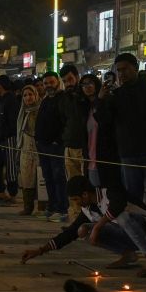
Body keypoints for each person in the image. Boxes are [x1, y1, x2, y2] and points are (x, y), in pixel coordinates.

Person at [20, 175, 146, 276]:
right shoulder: (87, 209)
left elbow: (117, 206)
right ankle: (128, 254)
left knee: (121, 217)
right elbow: (70, 233)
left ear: (85, 194)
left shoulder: (108, 192)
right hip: (127, 236)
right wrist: (40, 250)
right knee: (82, 230)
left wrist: (98, 226)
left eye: (76, 199)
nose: (76, 204)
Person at [102, 53, 146, 250]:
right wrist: (102, 99)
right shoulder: (116, 95)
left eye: (125, 69)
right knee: (134, 200)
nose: (121, 74)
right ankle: (139, 241)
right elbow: (104, 122)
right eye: (118, 70)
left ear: (135, 67)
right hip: (129, 154)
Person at [34, 71, 67, 222]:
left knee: (58, 177)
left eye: (51, 82)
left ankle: (62, 210)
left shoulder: (63, 99)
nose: (48, 86)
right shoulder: (46, 100)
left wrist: (58, 140)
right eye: (46, 83)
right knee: (48, 177)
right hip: (43, 145)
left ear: (58, 82)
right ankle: (52, 207)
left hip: (56, 146)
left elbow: (65, 122)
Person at [57, 65, 88, 220]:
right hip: (69, 146)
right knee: (72, 185)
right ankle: (75, 218)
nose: (68, 83)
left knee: (86, 186)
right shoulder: (64, 98)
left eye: (70, 79)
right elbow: (63, 120)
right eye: (64, 81)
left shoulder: (86, 95)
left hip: (84, 148)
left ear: (77, 77)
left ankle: (88, 218)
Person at [17, 83, 41, 215]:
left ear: (36, 95)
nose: (28, 97)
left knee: (41, 178)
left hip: (39, 149)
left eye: (31, 94)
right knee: (27, 178)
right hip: (25, 148)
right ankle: (28, 207)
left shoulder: (41, 110)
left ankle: (43, 208)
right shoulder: (23, 111)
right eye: (25, 95)